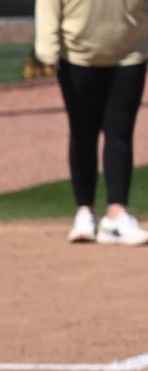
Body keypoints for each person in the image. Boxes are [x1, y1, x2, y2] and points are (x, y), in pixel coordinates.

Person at [36, 0, 148, 244]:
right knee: (83, 132)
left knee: (119, 132)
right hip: (78, 57)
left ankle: (116, 216)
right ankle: (84, 213)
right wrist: (46, 52)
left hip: (130, 54)